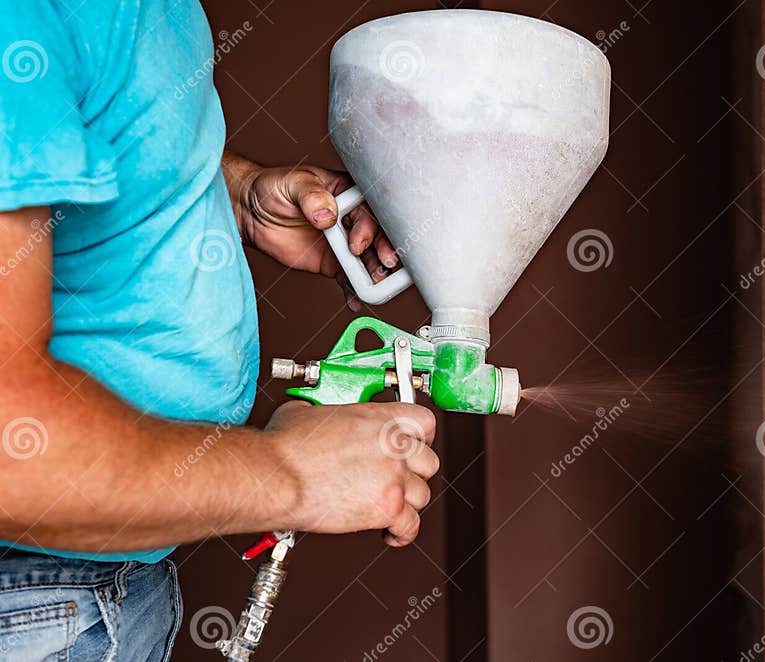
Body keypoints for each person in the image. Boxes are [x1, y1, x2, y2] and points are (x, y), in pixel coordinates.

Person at [0, 1, 438, 658]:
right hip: (33, 601)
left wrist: (235, 195)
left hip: (121, 581)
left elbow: (92, 121)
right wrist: (291, 475)